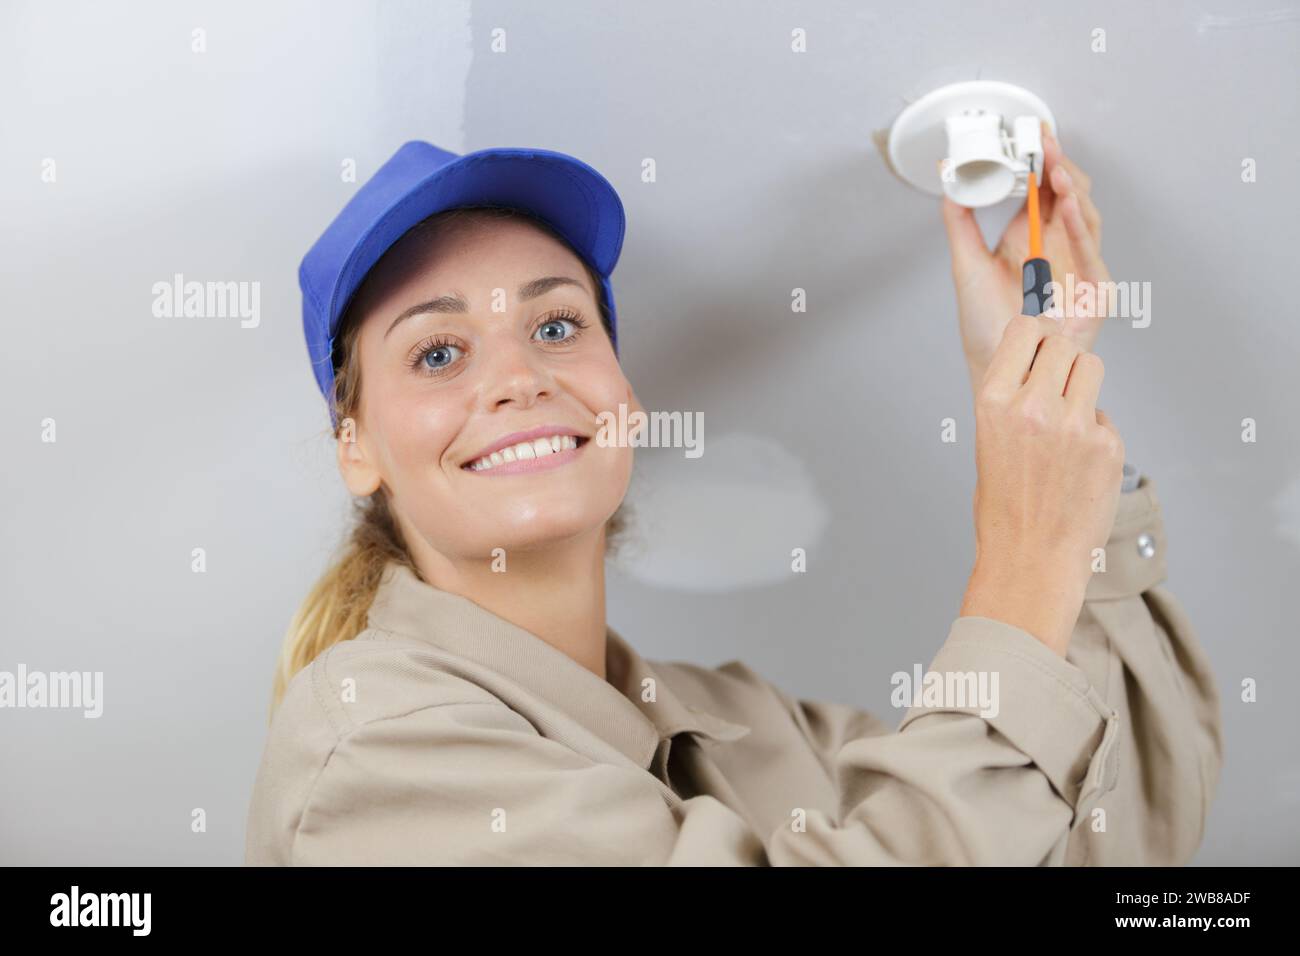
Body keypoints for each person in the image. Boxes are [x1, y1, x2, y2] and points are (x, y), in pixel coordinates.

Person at [244, 137, 1222, 865]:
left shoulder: (755, 724)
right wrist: (1021, 551)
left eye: (554, 323)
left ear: (621, 395)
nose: (517, 379)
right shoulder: (376, 746)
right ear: (356, 447)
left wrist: (1043, 400)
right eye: (438, 350)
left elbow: (1109, 836)